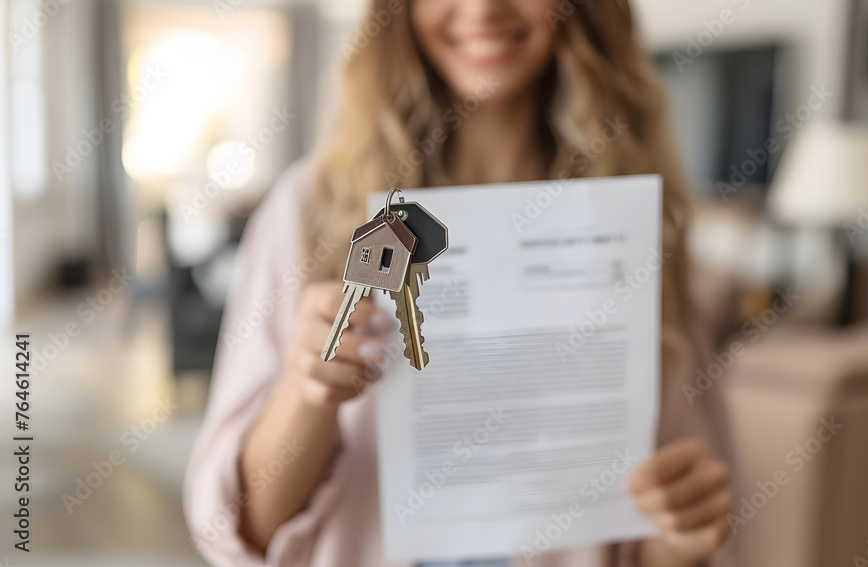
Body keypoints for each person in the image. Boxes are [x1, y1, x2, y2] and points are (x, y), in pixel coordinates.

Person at [184, 1, 735, 565]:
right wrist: (307, 393)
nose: (482, 9)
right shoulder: (307, 211)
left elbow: (655, 529)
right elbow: (240, 530)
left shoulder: (637, 227)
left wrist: (680, 538)